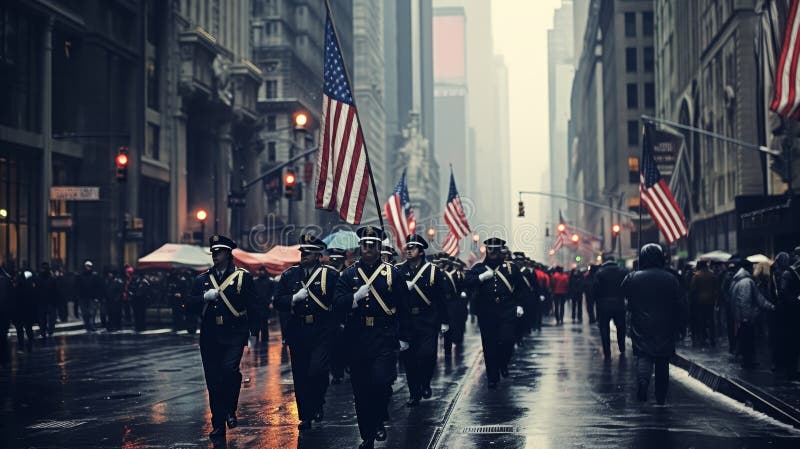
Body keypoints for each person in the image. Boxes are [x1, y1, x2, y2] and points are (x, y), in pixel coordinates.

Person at [334, 226, 408, 449]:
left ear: (379, 247)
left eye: (372, 244)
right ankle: (367, 434)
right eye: (365, 244)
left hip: (384, 336)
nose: (368, 248)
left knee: (381, 383)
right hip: (357, 337)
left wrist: (403, 336)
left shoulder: (392, 273)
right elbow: (336, 304)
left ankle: (377, 421)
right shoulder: (348, 274)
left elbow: (403, 306)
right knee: (361, 389)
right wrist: (353, 298)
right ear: (360, 247)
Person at [188, 235, 259, 448]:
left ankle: (230, 409)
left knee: (229, 371)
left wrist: (253, 333)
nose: (215, 256)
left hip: (234, 333)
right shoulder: (202, 280)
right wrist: (203, 298)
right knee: (213, 381)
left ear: (228, 254)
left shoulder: (242, 277)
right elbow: (188, 304)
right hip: (210, 336)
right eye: (213, 252)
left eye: (218, 252)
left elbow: (254, 305)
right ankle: (218, 423)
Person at [274, 233, 340, 430]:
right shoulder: (289, 275)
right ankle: (306, 415)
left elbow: (338, 303)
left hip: (322, 330)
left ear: (318, 255)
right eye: (303, 251)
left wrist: (336, 328)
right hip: (299, 330)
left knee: (318, 369)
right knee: (301, 374)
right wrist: (292, 299)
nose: (304, 255)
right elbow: (277, 301)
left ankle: (318, 401)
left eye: (309, 252)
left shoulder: (330, 275)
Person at [622, 244, 682, 405]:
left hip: (641, 323)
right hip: (665, 324)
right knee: (662, 360)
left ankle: (643, 382)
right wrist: (680, 326)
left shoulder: (633, 277)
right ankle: (660, 396)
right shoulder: (671, 278)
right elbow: (679, 303)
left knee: (644, 355)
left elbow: (625, 294)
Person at [396, 233, 450, 407]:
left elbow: (441, 299)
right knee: (409, 359)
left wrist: (444, 321)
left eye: (412, 248)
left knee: (427, 355)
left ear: (421, 251)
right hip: (406, 321)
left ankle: (425, 382)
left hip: (427, 319)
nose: (409, 251)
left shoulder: (433, 271)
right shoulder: (398, 270)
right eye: (408, 248)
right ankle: (414, 393)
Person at [464, 237, 525, 389]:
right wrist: (479, 278)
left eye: (496, 249)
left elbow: (521, 288)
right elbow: (467, 282)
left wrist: (519, 305)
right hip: (487, 311)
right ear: (487, 250)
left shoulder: (511, 268)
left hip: (507, 309)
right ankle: (493, 377)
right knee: (489, 345)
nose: (493, 252)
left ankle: (503, 363)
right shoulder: (479, 268)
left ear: (500, 251)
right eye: (490, 249)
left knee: (508, 340)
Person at [732, 259, 775, 369]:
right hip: (746, 318)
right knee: (748, 340)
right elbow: (745, 300)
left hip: (741, 317)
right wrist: (746, 318)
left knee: (746, 340)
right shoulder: (747, 282)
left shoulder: (739, 281)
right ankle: (748, 361)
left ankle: (747, 360)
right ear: (748, 268)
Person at [593, 254, 629, 359]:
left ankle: (607, 351)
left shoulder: (599, 273)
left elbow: (595, 290)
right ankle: (622, 348)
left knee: (604, 328)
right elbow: (627, 287)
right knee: (621, 327)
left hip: (603, 305)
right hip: (619, 304)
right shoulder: (623, 271)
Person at [326, 248, 349, 384]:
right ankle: (337, 373)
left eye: (337, 260)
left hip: (348, 314)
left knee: (349, 344)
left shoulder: (349, 273)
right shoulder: (327, 274)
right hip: (333, 315)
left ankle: (349, 364)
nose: (334, 263)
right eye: (332, 260)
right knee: (334, 346)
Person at [778, 247, 800, 378]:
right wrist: (796, 300)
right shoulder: (788, 274)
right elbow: (783, 293)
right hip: (790, 314)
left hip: (795, 313)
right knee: (791, 342)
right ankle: (790, 370)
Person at [689, 261, 718, 347]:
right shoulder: (712, 275)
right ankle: (712, 339)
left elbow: (692, 289)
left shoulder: (696, 275)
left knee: (701, 321)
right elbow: (716, 288)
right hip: (711, 301)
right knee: (711, 321)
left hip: (700, 302)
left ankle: (702, 339)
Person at [75, 261, 103, 332]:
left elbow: (98, 287)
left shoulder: (95, 276)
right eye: (86, 266)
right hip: (83, 297)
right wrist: (78, 296)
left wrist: (97, 297)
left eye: (89, 266)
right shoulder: (80, 276)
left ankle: (91, 325)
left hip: (92, 297)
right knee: (85, 313)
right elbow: (77, 287)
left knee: (92, 312)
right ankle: (87, 325)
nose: (88, 268)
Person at [13, 269, 36, 352]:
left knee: (20, 330)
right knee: (28, 328)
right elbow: (33, 300)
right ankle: (30, 343)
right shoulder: (29, 286)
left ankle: (21, 346)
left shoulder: (16, 288)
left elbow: (13, 301)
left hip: (19, 311)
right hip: (27, 311)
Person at [36, 263, 60, 338]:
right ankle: (47, 331)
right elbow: (57, 291)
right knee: (46, 318)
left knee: (45, 318)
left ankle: (46, 331)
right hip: (46, 301)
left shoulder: (40, 278)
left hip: (47, 301)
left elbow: (56, 291)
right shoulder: (51, 278)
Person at [251, 267, 273, 341]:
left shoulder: (269, 282)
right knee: (257, 323)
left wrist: (270, 302)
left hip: (265, 305)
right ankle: (257, 338)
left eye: (262, 271)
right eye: (260, 271)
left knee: (264, 323)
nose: (261, 272)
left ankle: (265, 339)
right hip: (257, 305)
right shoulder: (255, 281)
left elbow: (271, 293)